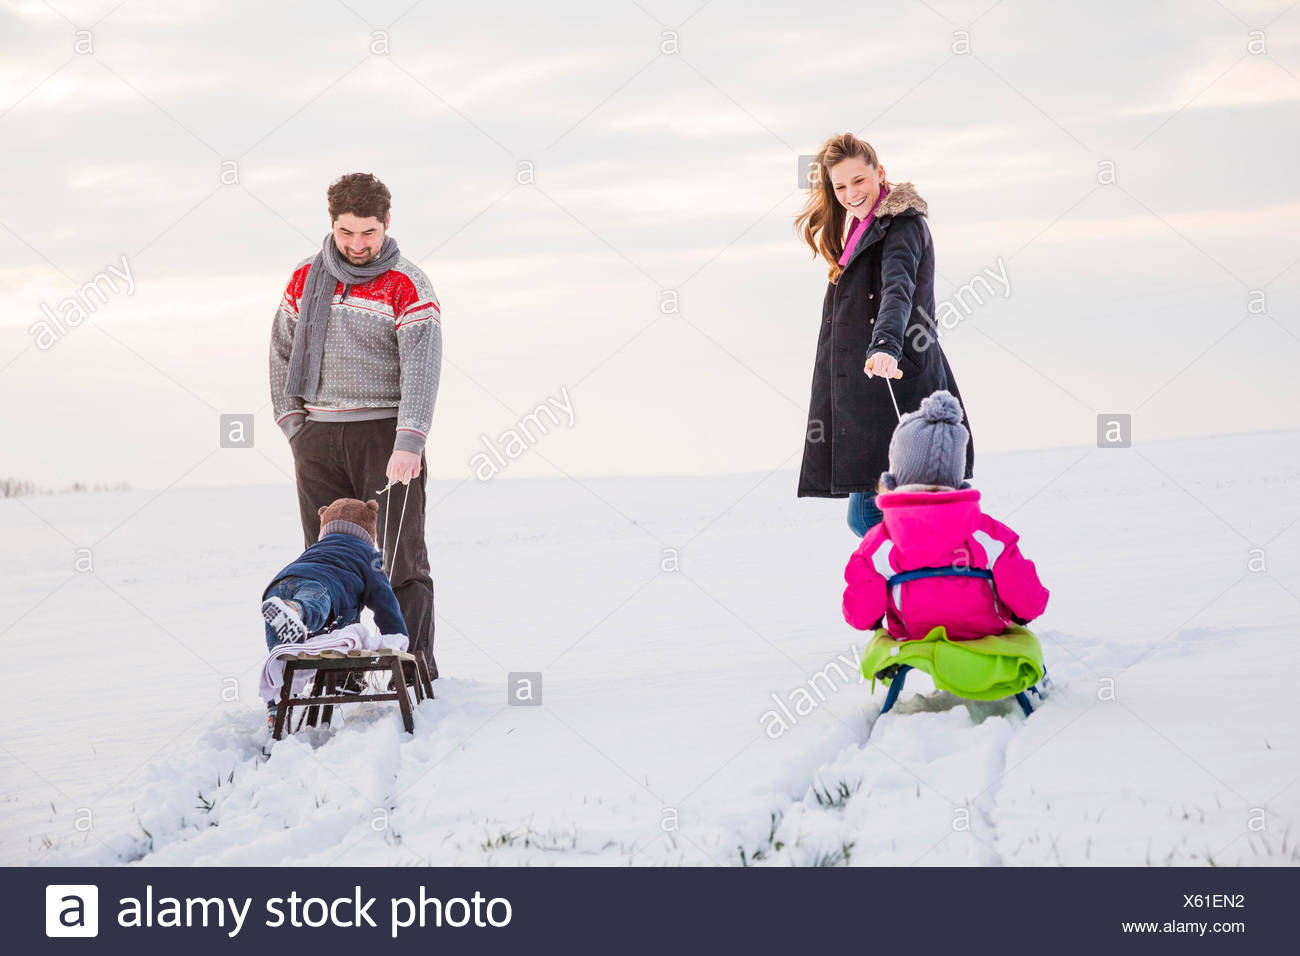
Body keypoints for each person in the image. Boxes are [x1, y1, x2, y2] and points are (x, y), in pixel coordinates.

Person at [268, 172, 442, 679]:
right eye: (347, 232)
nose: (357, 244)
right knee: (325, 562)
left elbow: (422, 369)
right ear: (332, 225)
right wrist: (294, 426)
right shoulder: (305, 278)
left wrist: (409, 440)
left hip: (385, 437)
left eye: (368, 232)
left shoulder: (407, 283)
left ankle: (413, 667)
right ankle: (337, 671)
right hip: (317, 437)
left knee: (401, 558)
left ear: (386, 224)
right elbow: (280, 352)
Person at [795, 133, 974, 536]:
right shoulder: (863, 228)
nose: (850, 193)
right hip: (875, 384)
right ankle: (925, 584)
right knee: (881, 513)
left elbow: (899, 290)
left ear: (880, 172)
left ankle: (928, 583)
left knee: (870, 516)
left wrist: (886, 346)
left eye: (858, 180)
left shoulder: (901, 225)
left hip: (896, 383)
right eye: (840, 186)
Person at [842, 391, 1048, 640]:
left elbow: (861, 614)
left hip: (913, 639)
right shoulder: (988, 535)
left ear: (895, 477)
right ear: (957, 477)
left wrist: (874, 620)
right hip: (984, 638)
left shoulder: (879, 542)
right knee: (1027, 645)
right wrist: (1021, 615)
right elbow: (1029, 602)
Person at [261, 497, 408, 732]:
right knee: (314, 606)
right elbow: (385, 601)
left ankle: (275, 708)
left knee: (280, 653)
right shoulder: (369, 556)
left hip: (278, 585)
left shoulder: (317, 548)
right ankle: (295, 610)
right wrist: (398, 635)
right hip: (319, 586)